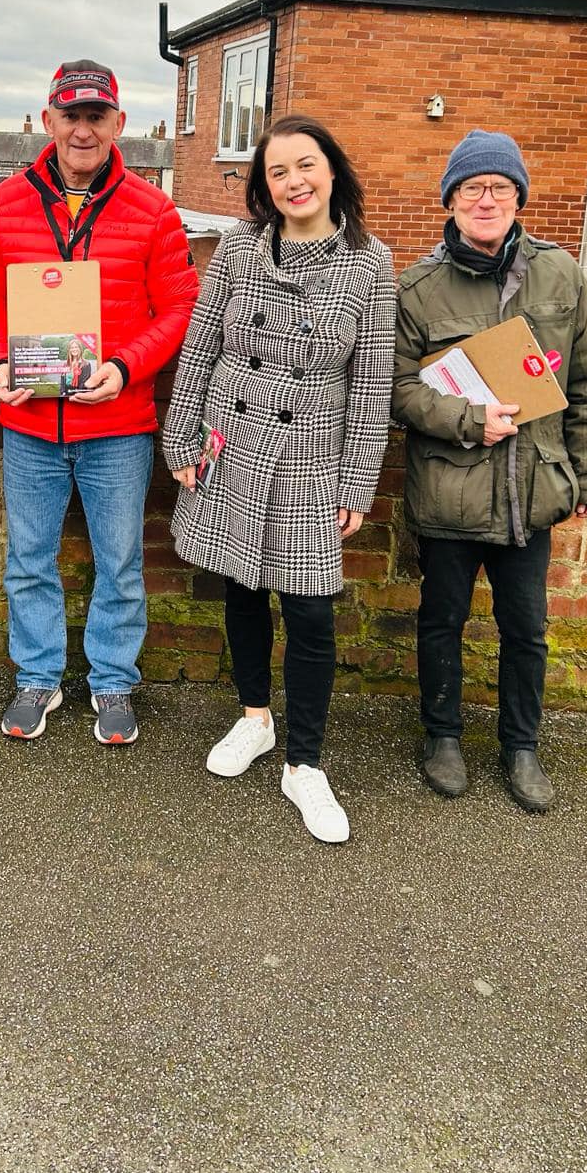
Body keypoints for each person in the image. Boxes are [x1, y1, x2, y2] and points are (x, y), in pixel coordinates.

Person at [163, 116, 395, 843]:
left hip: (310, 455)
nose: (294, 181)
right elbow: (199, 347)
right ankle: (255, 719)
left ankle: (306, 765)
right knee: (240, 586)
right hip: (232, 441)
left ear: (332, 170)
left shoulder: (370, 262)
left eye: (306, 165)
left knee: (313, 613)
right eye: (278, 172)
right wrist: (181, 436)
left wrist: (357, 482)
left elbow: (373, 384)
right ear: (264, 187)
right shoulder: (235, 248)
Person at [0, 59, 198, 745]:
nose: (83, 129)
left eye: (97, 116)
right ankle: (37, 677)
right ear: (48, 120)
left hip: (118, 423)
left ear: (118, 124)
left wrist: (127, 367)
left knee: (118, 561)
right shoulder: (6, 201)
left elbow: (181, 304)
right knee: (29, 558)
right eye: (71, 115)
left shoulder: (153, 210)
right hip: (30, 418)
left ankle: (113, 682)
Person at [392, 129, 587, 812]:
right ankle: (443, 737)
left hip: (530, 487)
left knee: (526, 629)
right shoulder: (418, 288)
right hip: (450, 488)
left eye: (500, 188)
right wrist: (467, 419)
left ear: (518, 197)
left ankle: (521, 746)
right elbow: (398, 389)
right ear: (451, 201)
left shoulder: (561, 275)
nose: (486, 200)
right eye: (471, 189)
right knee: (442, 619)